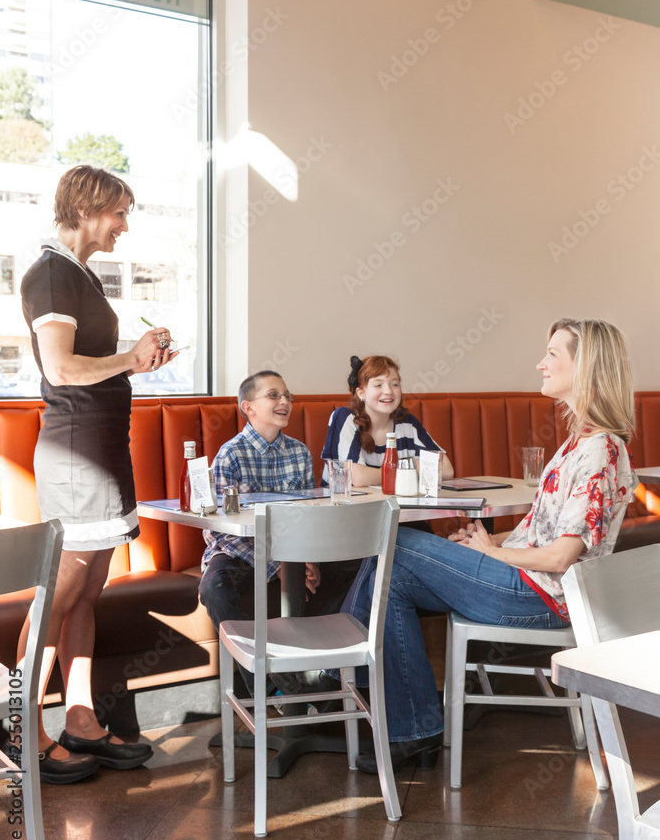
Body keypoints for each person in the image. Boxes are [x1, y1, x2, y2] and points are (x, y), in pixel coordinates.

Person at [347, 319, 638, 774]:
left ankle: (336, 673)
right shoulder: (577, 444)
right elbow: (541, 529)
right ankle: (415, 731)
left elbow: (561, 556)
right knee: (395, 577)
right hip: (524, 579)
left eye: (552, 355)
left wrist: (489, 552)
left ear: (586, 368)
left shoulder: (600, 451)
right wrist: (486, 539)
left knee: (395, 540)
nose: (541, 364)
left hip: (544, 594)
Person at [16, 164, 176, 784]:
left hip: (103, 452)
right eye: (118, 214)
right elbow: (59, 370)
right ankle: (22, 727)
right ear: (86, 208)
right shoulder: (51, 273)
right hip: (77, 457)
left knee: (85, 595)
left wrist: (135, 363)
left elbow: (95, 367)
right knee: (53, 599)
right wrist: (128, 358)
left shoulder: (79, 275)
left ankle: (80, 721)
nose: (123, 227)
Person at [198, 370, 318, 695]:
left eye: (287, 396)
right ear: (248, 407)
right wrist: (277, 564)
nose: (284, 402)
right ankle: (267, 689)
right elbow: (223, 530)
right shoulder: (230, 455)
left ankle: (322, 683)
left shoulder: (300, 453)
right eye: (274, 395)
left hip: (289, 551)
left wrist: (305, 559)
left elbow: (308, 516)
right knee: (215, 591)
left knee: (343, 576)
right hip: (238, 554)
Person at [321, 354, 455, 486]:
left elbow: (447, 469)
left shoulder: (406, 422)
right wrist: (412, 468)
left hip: (392, 505)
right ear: (361, 393)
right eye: (378, 385)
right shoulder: (345, 418)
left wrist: (383, 474)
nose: (388, 391)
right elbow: (359, 478)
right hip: (349, 506)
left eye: (395, 384)